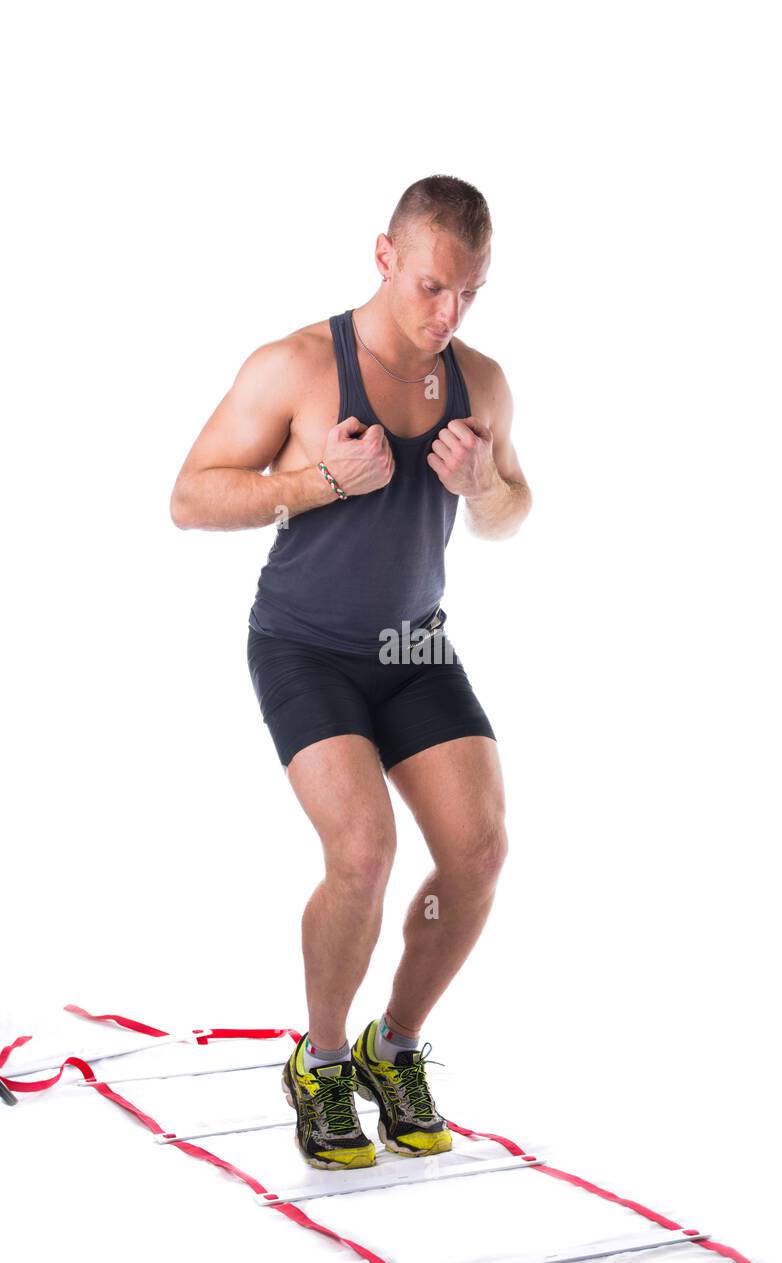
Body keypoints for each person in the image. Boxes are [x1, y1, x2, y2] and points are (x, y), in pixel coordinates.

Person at [170, 175, 532, 1171]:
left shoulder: (480, 380)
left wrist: (484, 482)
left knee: (477, 850)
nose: (446, 313)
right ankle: (321, 1058)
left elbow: (511, 514)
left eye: (468, 293)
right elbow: (191, 498)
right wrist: (319, 479)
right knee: (363, 852)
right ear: (383, 256)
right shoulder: (294, 365)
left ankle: (393, 1044)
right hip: (304, 644)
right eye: (429, 287)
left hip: (413, 645)